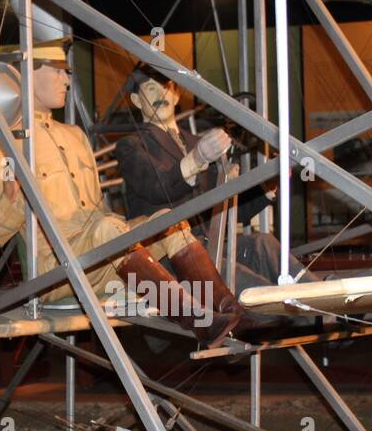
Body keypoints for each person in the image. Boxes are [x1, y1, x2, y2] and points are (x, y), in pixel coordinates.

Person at [0, 42, 244, 347]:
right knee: (108, 229)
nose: (67, 81)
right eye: (58, 72)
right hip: (55, 272)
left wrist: (129, 232)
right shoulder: (0, 146)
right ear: (26, 75)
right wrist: (10, 201)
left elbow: (98, 210)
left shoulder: (75, 137)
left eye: (67, 73)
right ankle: (199, 321)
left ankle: (230, 311)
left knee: (168, 220)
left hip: (101, 258)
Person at [113, 71, 317, 293]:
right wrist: (196, 159)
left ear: (177, 96)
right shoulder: (131, 146)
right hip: (172, 259)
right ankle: (299, 313)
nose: (160, 93)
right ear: (136, 100)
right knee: (258, 293)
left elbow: (225, 211)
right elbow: (157, 188)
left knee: (263, 243)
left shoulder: (194, 142)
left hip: (210, 248)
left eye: (166, 87)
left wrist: (267, 186)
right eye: (150, 88)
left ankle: (320, 299)